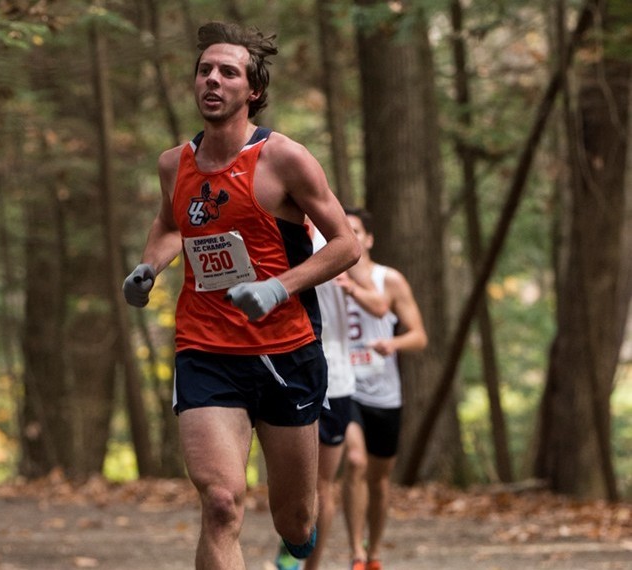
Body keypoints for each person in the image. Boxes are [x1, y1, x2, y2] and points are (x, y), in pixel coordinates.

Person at [122, 22, 361, 569]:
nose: (213, 79)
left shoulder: (285, 160)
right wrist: (148, 267)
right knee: (222, 503)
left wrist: (279, 288)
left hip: (286, 351)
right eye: (205, 70)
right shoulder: (173, 164)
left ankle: (297, 542)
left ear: (252, 90)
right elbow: (170, 225)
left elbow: (346, 246)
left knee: (295, 520)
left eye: (228, 72)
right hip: (205, 349)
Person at [274, 223, 388, 570]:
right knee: (291, 479)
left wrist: (350, 286)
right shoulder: (273, 231)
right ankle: (290, 539)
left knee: (322, 483)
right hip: (286, 369)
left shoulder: (337, 242)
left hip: (335, 378)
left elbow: (380, 306)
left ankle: (310, 565)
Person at [340, 207, 428, 570]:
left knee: (379, 479)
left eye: (357, 231)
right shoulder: (328, 277)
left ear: (370, 239)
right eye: (345, 231)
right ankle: (356, 553)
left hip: (385, 391)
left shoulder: (389, 280)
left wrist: (393, 345)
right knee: (356, 461)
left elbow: (419, 336)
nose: (352, 236)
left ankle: (374, 551)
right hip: (346, 386)